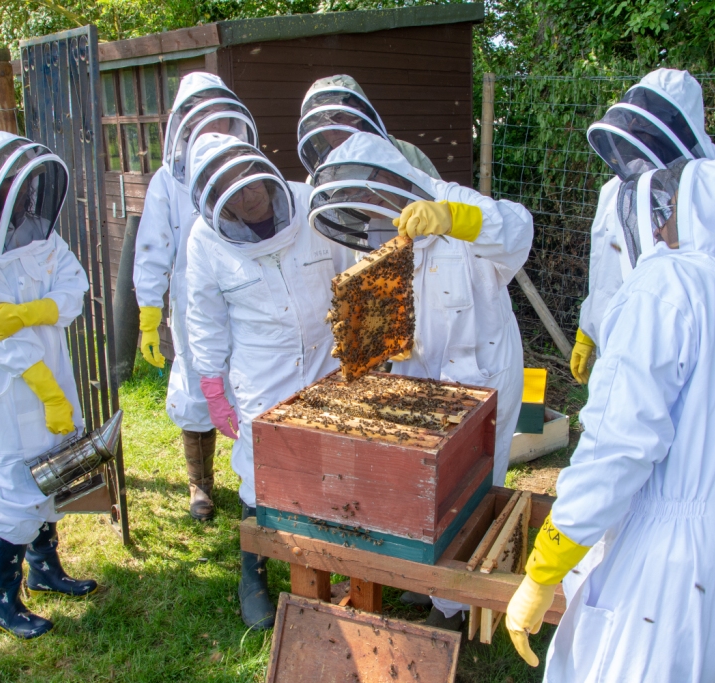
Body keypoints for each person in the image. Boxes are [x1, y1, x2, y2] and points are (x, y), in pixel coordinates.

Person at [504, 156, 715, 682]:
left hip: (663, 573)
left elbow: (618, 445)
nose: (661, 223)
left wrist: (545, 565)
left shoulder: (670, 284)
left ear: (703, 216)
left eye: (673, 210)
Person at [308, 131, 532, 628]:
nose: (369, 212)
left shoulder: (456, 201)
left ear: (392, 178)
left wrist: (457, 219)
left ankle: (452, 607)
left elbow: (519, 230)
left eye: (371, 196)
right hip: (419, 374)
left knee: (471, 489)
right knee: (415, 484)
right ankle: (419, 582)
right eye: (359, 204)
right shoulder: (379, 229)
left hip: (481, 372)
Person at [184, 132, 353, 629]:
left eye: (247, 175)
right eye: (229, 188)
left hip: (327, 355)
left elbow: (351, 271)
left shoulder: (309, 203)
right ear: (213, 199)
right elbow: (205, 317)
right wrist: (212, 385)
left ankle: (332, 563)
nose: (246, 191)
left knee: (331, 462)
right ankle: (252, 571)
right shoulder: (205, 240)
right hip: (262, 366)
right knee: (261, 468)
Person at [0, 132, 97, 640]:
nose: (20, 200)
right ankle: (3, 600)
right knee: (12, 487)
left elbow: (75, 286)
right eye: (5, 188)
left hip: (52, 371)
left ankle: (45, 569)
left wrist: (35, 311)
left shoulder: (39, 236)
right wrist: (46, 390)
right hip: (4, 389)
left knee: (51, 470)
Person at [134, 72, 258, 522]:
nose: (215, 130)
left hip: (244, 288)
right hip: (191, 298)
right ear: (184, 127)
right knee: (195, 383)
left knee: (250, 380)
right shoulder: (168, 181)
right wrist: (149, 309)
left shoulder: (246, 167)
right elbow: (152, 246)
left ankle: (255, 480)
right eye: (203, 121)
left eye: (221, 122)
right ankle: (200, 484)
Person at [572, 68, 715, 384]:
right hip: (618, 338)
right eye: (636, 123)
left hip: (674, 350)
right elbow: (604, 266)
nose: (638, 131)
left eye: (647, 125)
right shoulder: (615, 190)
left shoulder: (707, 189)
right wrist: (589, 329)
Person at [297, 74, 440, 181]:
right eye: (323, 125)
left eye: (338, 118)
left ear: (360, 111)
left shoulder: (405, 153)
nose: (332, 130)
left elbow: (439, 201)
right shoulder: (319, 176)